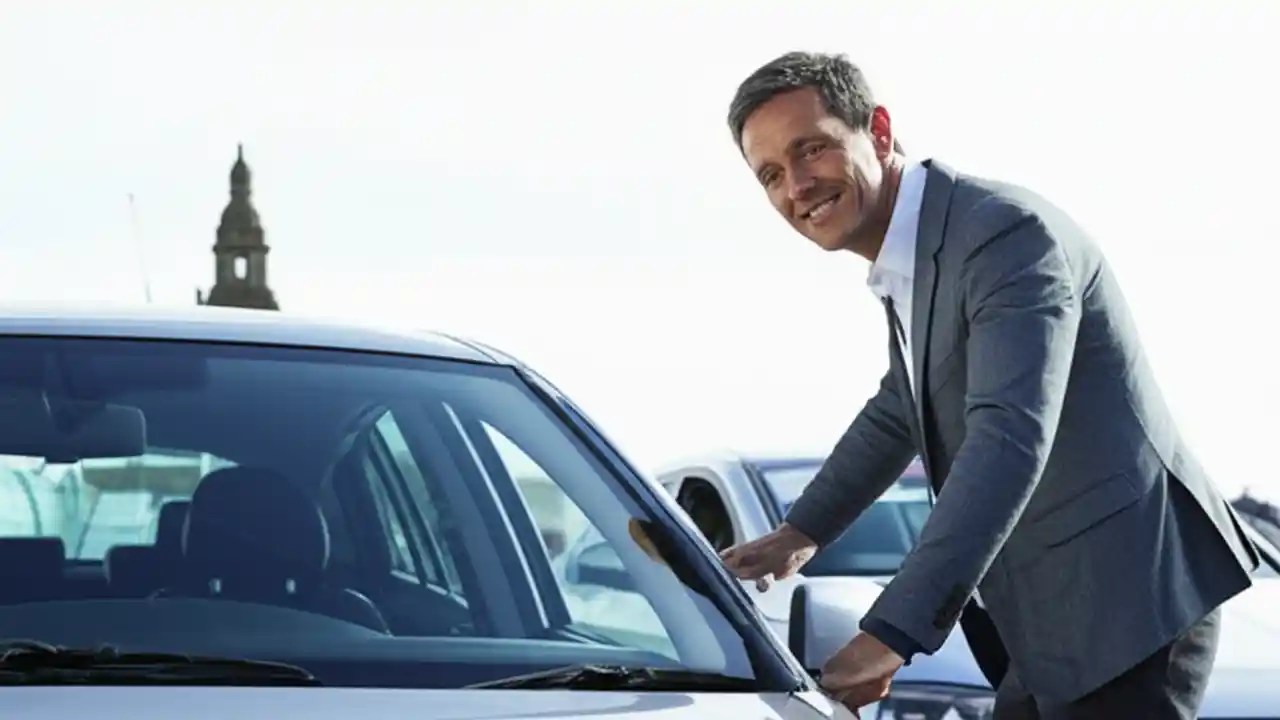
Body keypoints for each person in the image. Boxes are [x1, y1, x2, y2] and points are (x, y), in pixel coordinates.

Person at [718, 51, 1260, 719]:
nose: (796, 185)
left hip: (1126, 609)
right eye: (771, 173)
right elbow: (900, 408)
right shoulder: (919, 257)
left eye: (813, 150)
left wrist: (891, 633)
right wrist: (799, 531)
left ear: (879, 131)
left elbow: (1008, 437)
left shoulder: (1002, 237)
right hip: (1050, 624)